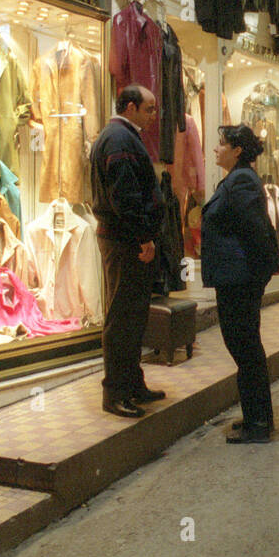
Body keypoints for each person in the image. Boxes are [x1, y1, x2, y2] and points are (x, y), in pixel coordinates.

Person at [201, 125, 279, 444]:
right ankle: (256, 417)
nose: (216, 149)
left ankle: (259, 423)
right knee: (245, 348)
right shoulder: (240, 178)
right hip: (238, 276)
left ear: (237, 150)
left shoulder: (241, 180)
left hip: (240, 279)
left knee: (245, 348)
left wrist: (266, 264)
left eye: (221, 144)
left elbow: (255, 229)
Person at [89, 85, 167, 418]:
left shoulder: (121, 136)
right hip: (124, 242)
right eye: (150, 109)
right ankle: (116, 392)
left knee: (133, 315)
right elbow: (125, 199)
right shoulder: (119, 139)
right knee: (122, 317)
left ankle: (133, 384)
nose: (154, 116)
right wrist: (143, 238)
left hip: (126, 239)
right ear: (131, 107)